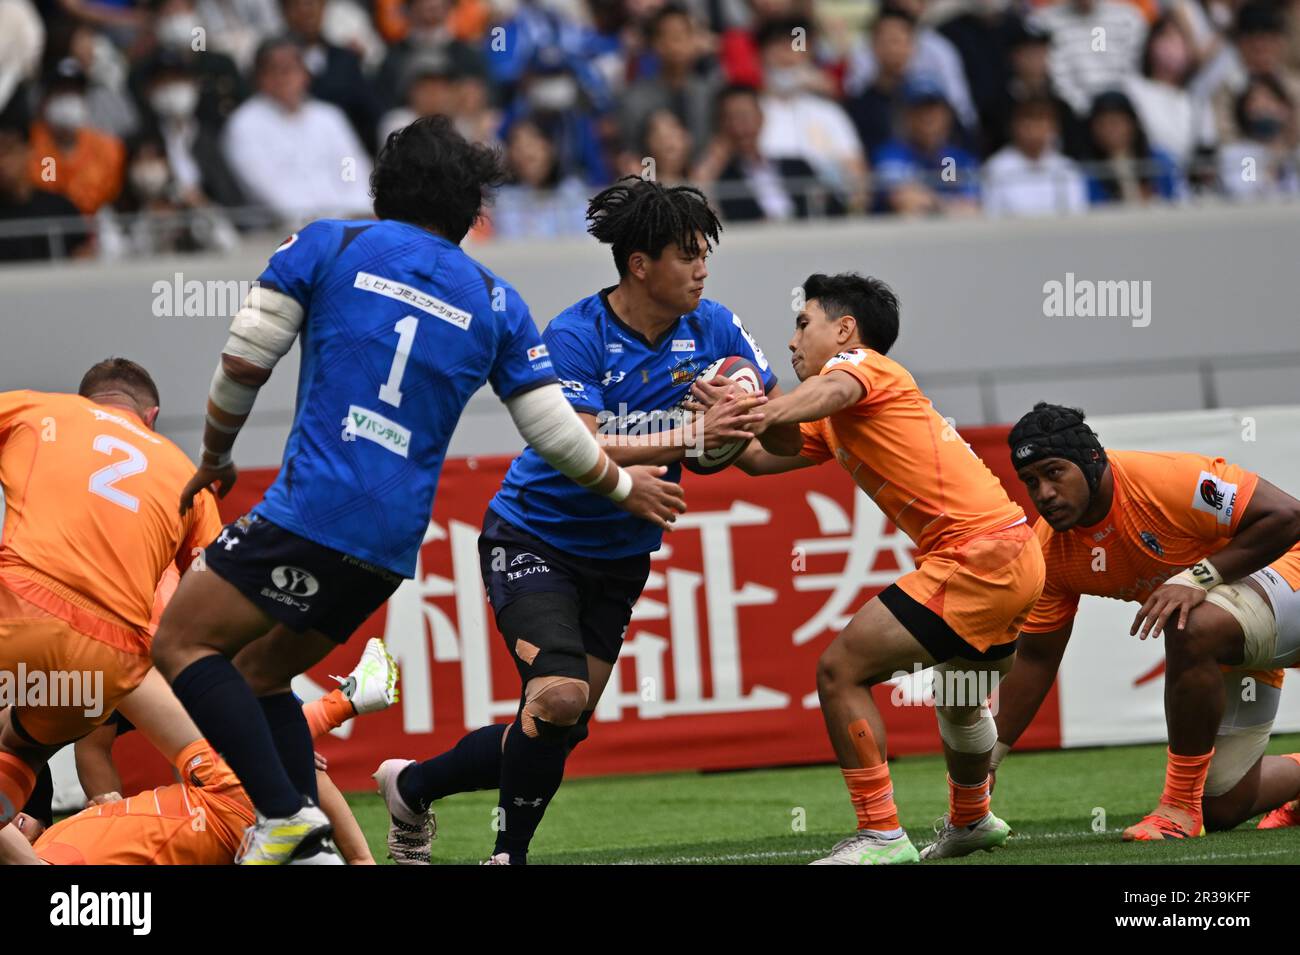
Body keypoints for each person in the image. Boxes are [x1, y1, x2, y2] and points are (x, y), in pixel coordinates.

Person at [149, 117, 685, 865]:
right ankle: (310, 847)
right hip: (391, 546)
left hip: (310, 510)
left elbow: (244, 360)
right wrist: (623, 485)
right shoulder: (497, 300)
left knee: (179, 640)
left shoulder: (329, 244)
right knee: (262, 672)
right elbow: (554, 433)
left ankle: (283, 815)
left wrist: (214, 454)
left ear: (383, 187)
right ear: (472, 210)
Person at [374, 176, 798, 865]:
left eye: (704, 254)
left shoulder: (714, 326)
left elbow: (761, 447)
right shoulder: (575, 334)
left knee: (555, 723)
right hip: (533, 534)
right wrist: (693, 438)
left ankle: (413, 785)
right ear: (640, 264)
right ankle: (508, 855)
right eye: (688, 254)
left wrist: (815, 431)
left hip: (619, 556)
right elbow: (582, 443)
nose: (702, 268)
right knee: (560, 694)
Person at [722, 272, 1046, 864]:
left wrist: (752, 404)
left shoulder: (865, 368)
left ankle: (880, 835)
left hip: (978, 556)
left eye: (802, 324)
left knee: (839, 671)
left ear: (845, 331)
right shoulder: (835, 403)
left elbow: (818, 398)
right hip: (1014, 552)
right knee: (962, 690)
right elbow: (759, 460)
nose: (792, 343)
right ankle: (972, 818)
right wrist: (704, 431)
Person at [995, 402, 1300, 839]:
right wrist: (985, 759)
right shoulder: (1050, 551)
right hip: (1237, 633)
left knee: (1189, 623)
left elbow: (1289, 515)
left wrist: (1199, 577)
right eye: (1031, 481)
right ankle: (1201, 805)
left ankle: (1177, 808)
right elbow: (1037, 660)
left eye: (1054, 472)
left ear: (1091, 461)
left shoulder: (1165, 480)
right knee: (1222, 804)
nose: (1043, 492)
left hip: (1284, 585)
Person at [0, 359, 223, 838]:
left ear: (86, 402)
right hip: (111, 659)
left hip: (20, 614)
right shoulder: (188, 475)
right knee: (21, 752)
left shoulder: (39, 410)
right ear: (152, 416)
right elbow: (217, 595)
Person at [0, 638, 398, 865]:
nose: (18, 818)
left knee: (264, 756)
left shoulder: (57, 837)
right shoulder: (54, 860)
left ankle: (341, 706)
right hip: (225, 817)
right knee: (256, 760)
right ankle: (342, 704)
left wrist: (105, 800)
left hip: (213, 802)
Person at [220, 37, 372, 220]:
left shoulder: (329, 117)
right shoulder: (244, 124)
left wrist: (357, 212)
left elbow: (353, 169)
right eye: (275, 70)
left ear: (305, 74)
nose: (284, 77)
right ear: (259, 77)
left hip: (348, 222)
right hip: (285, 231)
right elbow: (266, 188)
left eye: (291, 68)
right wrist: (325, 221)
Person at [982, 95, 1089, 216]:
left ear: (1055, 127)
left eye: (1041, 121)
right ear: (1014, 125)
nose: (1034, 129)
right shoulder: (996, 168)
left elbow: (1076, 217)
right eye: (1028, 121)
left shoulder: (1067, 169)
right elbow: (992, 217)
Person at [1082, 89, 1181, 203]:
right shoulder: (1088, 172)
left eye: (1115, 122)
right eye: (1102, 124)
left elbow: (1178, 202)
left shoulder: (1161, 163)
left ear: (1133, 123)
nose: (1109, 131)